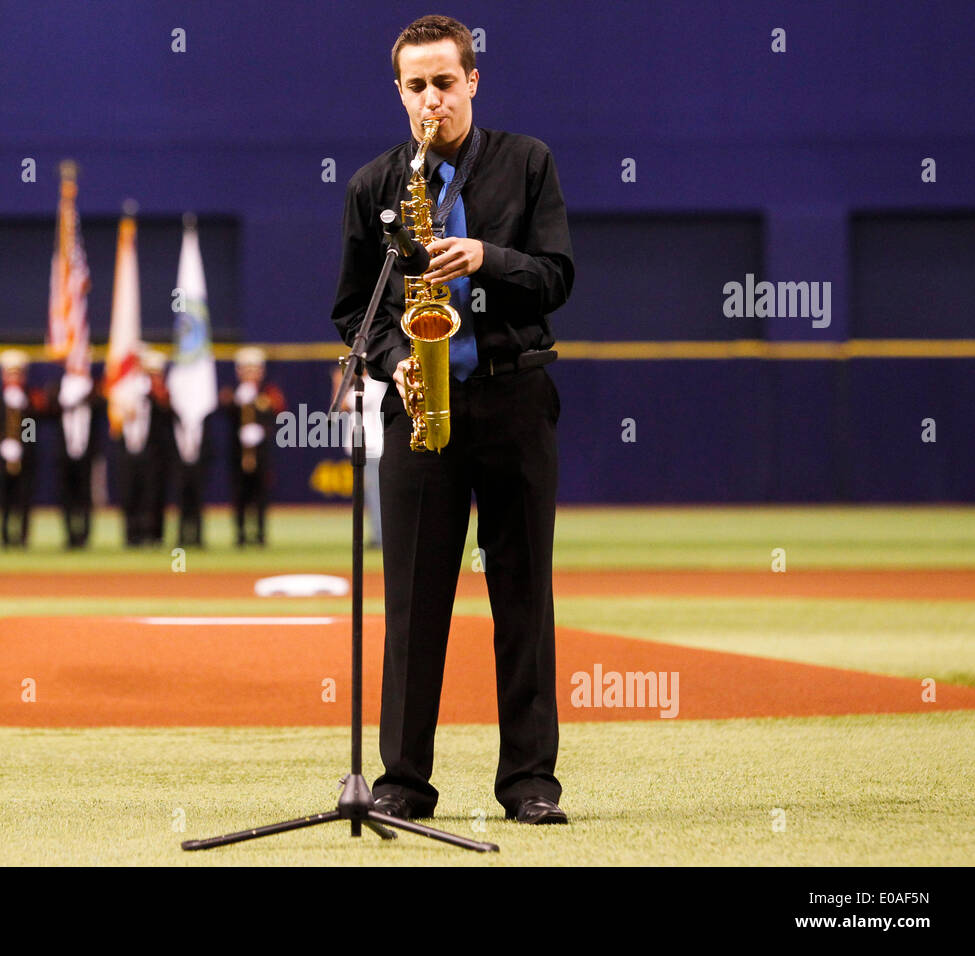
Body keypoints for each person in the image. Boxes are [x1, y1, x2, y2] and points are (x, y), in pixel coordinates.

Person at [330, 15, 574, 825]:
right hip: (418, 405)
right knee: (413, 599)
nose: (431, 99)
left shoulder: (526, 162)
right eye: (416, 86)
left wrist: (484, 259)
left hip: (513, 398)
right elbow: (350, 313)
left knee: (523, 594)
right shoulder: (374, 186)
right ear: (398, 92)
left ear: (473, 81)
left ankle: (530, 784)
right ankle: (403, 781)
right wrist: (390, 354)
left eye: (444, 82)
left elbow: (558, 277)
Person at [0, 349, 48, 548]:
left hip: (25, 457)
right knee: (4, 498)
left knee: (25, 498)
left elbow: (32, 428)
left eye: (17, 373)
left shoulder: (30, 398)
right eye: (10, 373)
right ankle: (4, 537)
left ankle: (23, 538)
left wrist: (23, 446)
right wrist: (2, 445)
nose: (14, 377)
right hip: (3, 457)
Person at [219, 346, 286, 546]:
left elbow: (279, 409)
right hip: (238, 452)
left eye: (254, 369)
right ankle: (240, 534)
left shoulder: (269, 391)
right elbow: (224, 408)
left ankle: (260, 534)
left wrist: (260, 423)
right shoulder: (233, 392)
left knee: (261, 493)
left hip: (261, 451)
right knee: (239, 493)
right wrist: (237, 403)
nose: (250, 374)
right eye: (246, 369)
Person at [118, 348, 177, 547]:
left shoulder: (162, 396)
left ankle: (154, 535)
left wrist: (158, 395)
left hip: (155, 455)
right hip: (131, 451)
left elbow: (170, 417)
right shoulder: (132, 391)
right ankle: (132, 535)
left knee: (154, 495)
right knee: (130, 494)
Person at [44, 359, 105, 549]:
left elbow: (102, 406)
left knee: (85, 496)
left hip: (86, 454)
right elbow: (31, 418)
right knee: (65, 496)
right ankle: (12, 540)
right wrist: (25, 442)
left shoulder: (93, 392)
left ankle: (84, 537)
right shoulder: (53, 391)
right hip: (61, 455)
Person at [332, 364, 386, 548]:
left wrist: (339, 383)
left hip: (372, 448)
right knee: (374, 495)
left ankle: (380, 537)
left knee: (376, 495)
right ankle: (379, 535)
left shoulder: (370, 383)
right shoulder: (372, 383)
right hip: (370, 448)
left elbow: (340, 406)